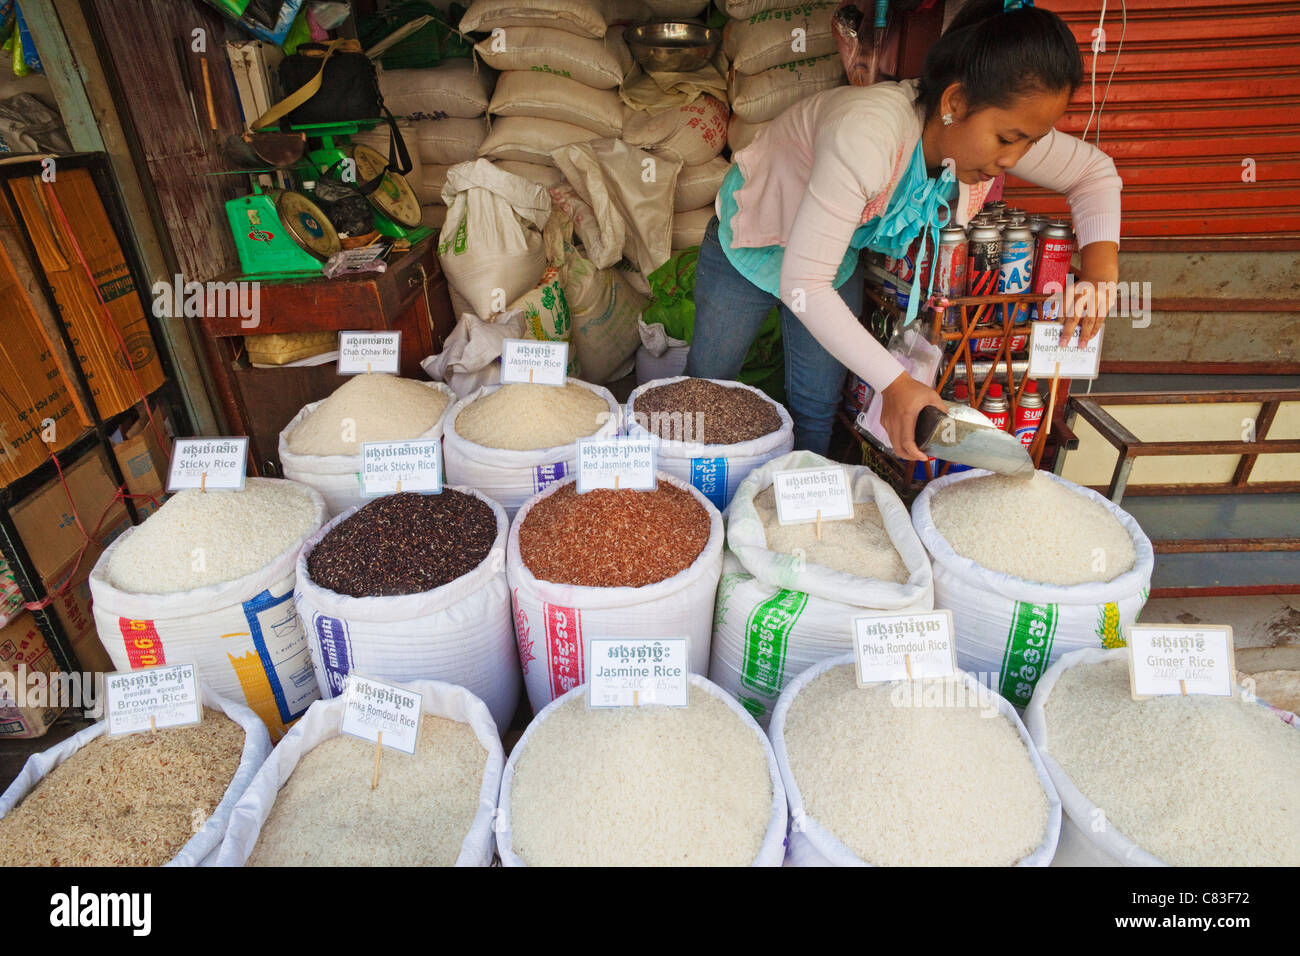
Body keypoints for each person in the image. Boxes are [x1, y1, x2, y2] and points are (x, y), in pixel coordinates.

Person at [685, 0, 1121, 459]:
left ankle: (791, 506)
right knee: (705, 386)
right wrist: (895, 384)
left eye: (1030, 142)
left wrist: (1099, 278)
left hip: (828, 258)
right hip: (754, 235)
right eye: (1010, 140)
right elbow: (803, 284)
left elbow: (1094, 174)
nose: (1014, 160)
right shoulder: (868, 132)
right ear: (955, 102)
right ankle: (688, 489)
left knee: (816, 405)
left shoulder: (984, 126)